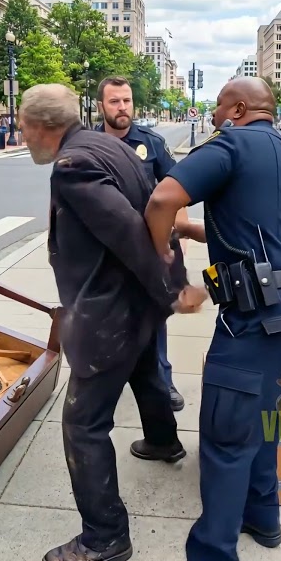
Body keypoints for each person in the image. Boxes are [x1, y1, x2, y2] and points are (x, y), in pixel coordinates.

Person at [19, 83, 208, 561]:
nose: (22, 136)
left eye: (23, 127)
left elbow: (129, 232)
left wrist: (173, 289)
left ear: (43, 127)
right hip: (137, 306)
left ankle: (104, 536)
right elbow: (154, 213)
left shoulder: (73, 164)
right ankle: (163, 440)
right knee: (146, 372)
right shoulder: (106, 146)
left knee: (83, 424)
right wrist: (171, 284)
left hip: (111, 313)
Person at [144, 77, 281, 561]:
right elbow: (259, 228)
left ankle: (213, 556)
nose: (215, 113)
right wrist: (190, 230)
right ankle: (263, 517)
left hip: (258, 315)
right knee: (268, 416)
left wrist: (162, 251)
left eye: (219, 106)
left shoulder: (232, 143)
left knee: (225, 434)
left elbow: (163, 197)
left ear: (238, 108)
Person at [93, 75, 189, 410]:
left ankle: (162, 381)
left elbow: (178, 191)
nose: (122, 108)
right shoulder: (87, 144)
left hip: (148, 249)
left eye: (127, 100)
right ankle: (108, 380)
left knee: (153, 316)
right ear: (100, 105)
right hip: (102, 253)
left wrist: (179, 241)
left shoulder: (151, 142)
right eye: (115, 101)